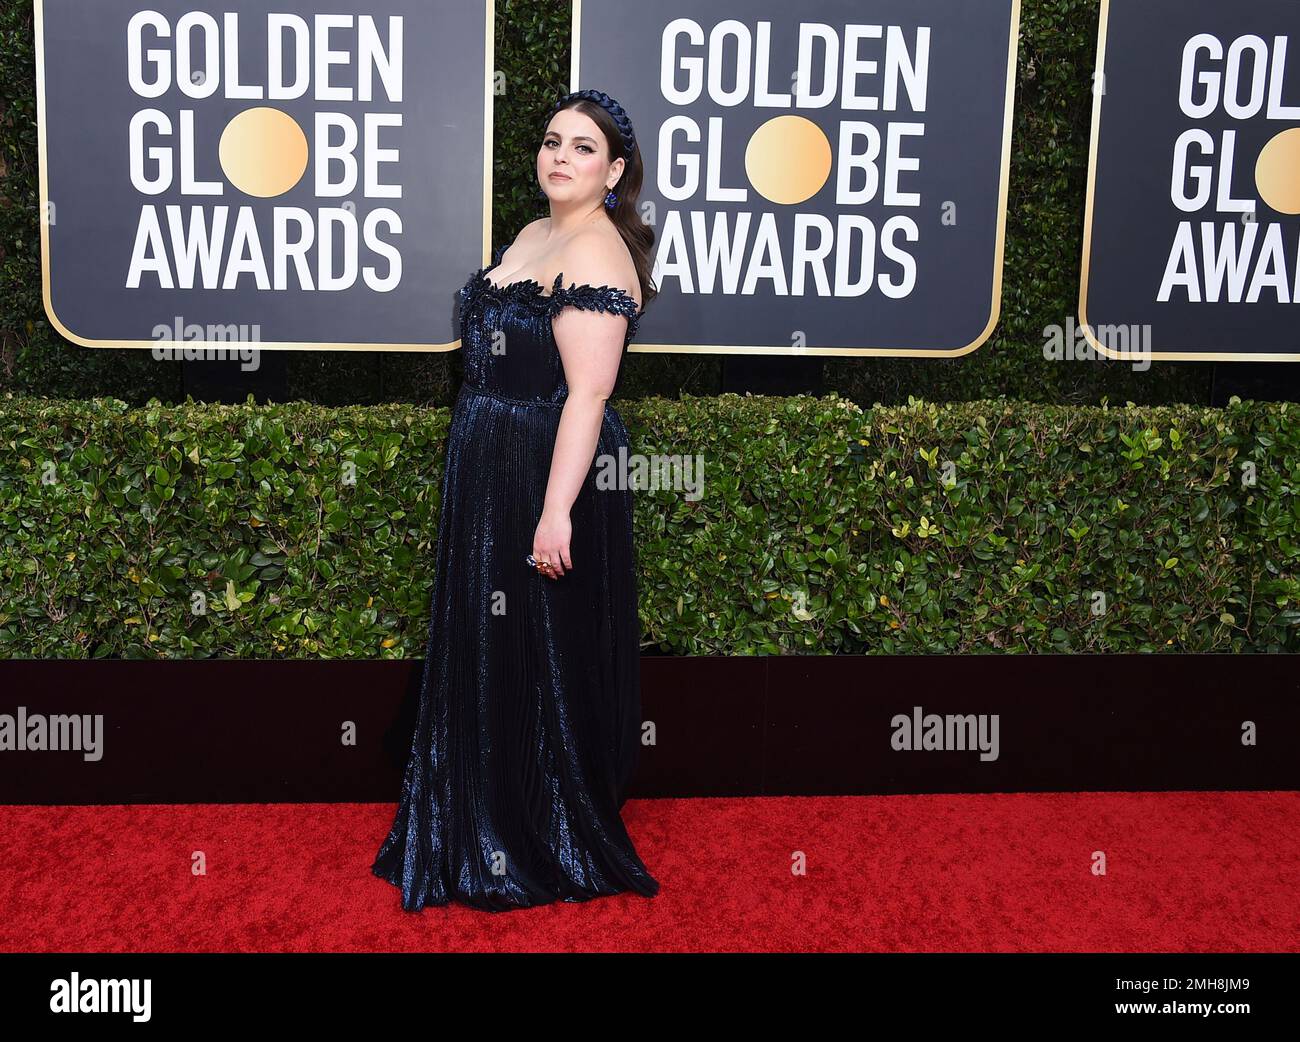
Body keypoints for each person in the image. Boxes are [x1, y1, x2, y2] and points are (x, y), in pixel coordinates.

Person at [371, 90, 659, 911]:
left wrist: (556, 509)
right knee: (489, 640)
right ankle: (478, 805)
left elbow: (587, 397)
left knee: (538, 647)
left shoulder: (600, 255)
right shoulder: (535, 233)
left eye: (582, 148)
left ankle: (535, 822)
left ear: (613, 172)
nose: (560, 157)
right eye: (551, 142)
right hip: (487, 464)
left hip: (543, 469)